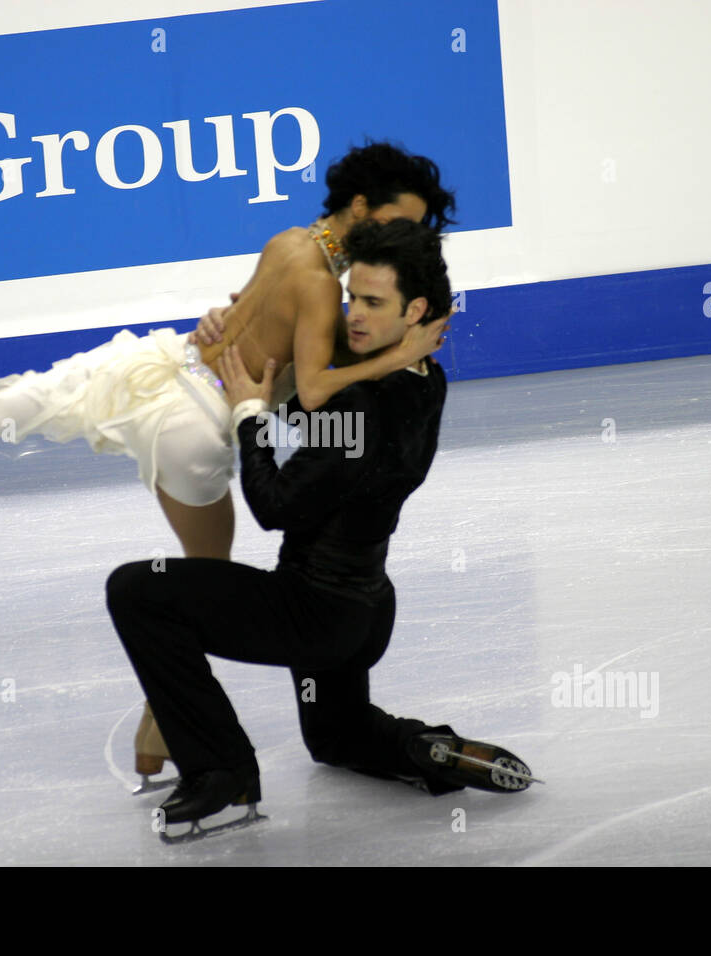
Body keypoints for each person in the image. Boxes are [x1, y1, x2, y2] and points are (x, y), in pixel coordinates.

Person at [0, 142, 457, 786]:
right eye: (404, 220)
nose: (410, 237)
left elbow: (238, 317)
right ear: (362, 207)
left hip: (152, 367)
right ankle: (162, 729)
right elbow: (317, 387)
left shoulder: (288, 241)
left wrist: (223, 323)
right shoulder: (330, 295)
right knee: (202, 589)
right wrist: (400, 354)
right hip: (196, 424)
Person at [105, 219, 535, 843]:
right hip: (365, 611)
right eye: (350, 297)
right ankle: (421, 749)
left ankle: (222, 773)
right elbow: (324, 371)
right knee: (336, 736)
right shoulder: (423, 379)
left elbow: (273, 505)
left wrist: (250, 414)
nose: (352, 315)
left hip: (310, 612)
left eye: (371, 303)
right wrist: (232, 325)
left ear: (415, 310)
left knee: (138, 592)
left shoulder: (357, 408)